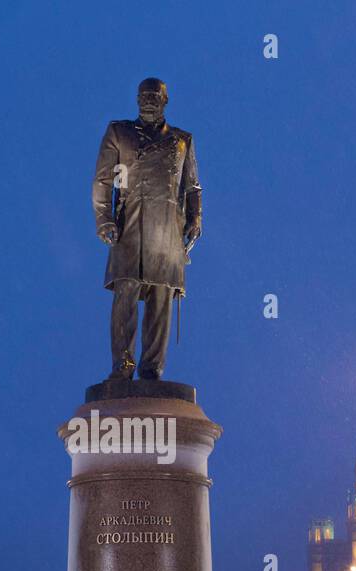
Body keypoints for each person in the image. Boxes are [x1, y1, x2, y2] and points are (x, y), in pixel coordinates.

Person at [92, 78, 202, 381]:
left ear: (166, 101)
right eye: (144, 96)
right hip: (130, 225)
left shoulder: (182, 140)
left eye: (155, 96)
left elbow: (192, 186)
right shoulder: (119, 132)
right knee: (126, 294)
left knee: (161, 299)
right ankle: (122, 366)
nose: (148, 101)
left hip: (168, 229)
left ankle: (152, 369)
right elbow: (103, 180)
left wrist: (196, 218)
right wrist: (104, 220)